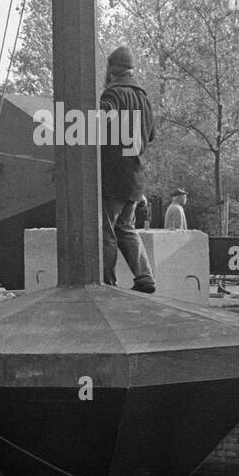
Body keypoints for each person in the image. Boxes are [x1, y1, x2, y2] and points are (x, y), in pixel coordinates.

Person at [99, 45, 156, 293]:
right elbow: (151, 134)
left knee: (106, 229)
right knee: (126, 227)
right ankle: (144, 277)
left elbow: (98, 129)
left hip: (113, 175)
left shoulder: (111, 96)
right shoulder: (143, 98)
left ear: (112, 70)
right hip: (135, 176)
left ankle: (106, 283)